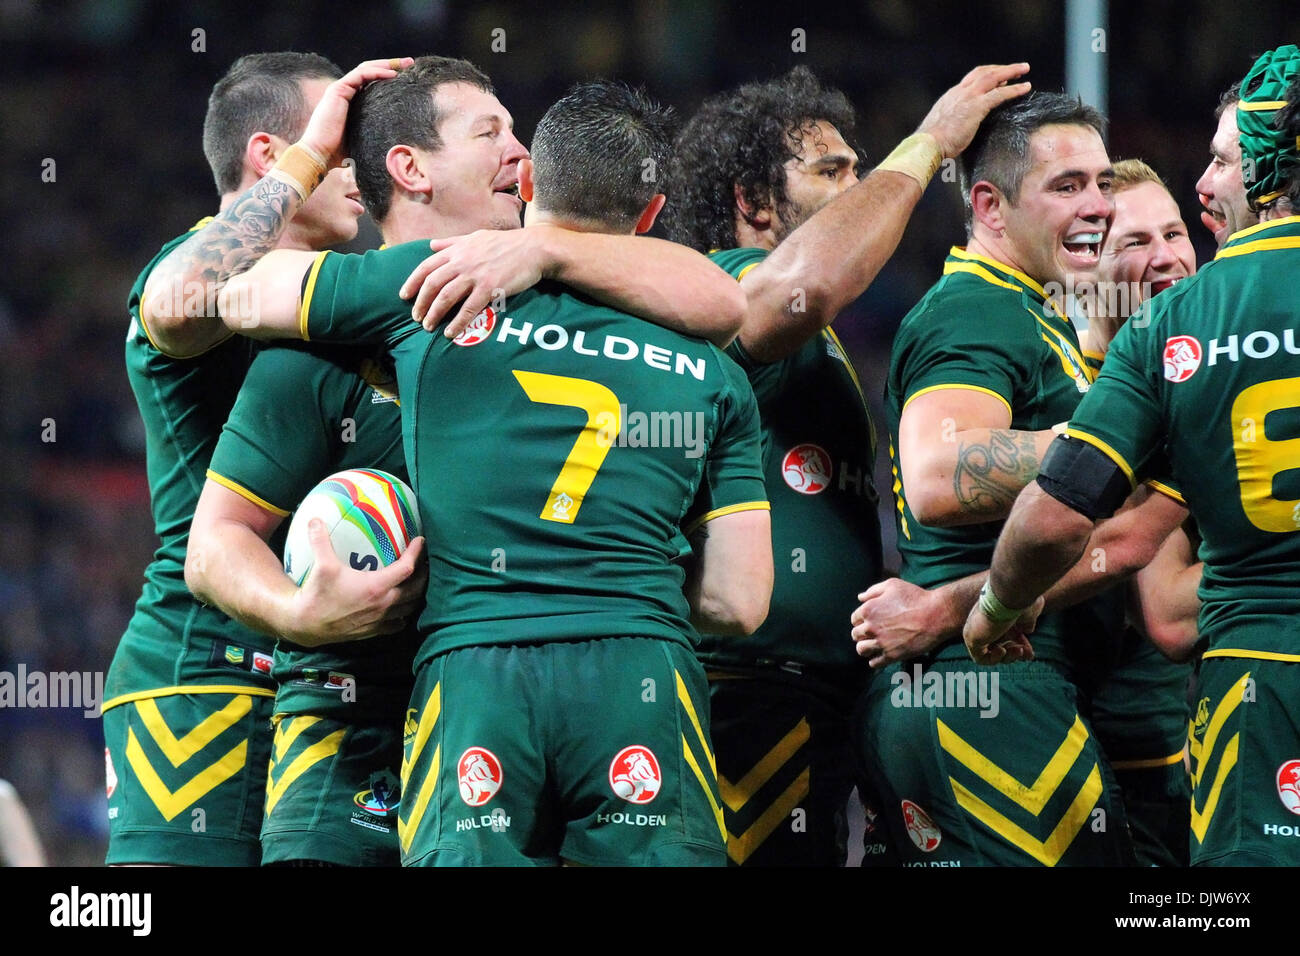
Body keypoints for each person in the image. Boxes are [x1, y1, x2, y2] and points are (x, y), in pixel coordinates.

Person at [180, 55, 751, 865]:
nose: (523, 154)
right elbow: (214, 543)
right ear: (410, 169)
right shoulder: (316, 353)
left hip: (493, 706)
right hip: (354, 722)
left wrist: (549, 253)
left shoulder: (599, 301)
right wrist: (295, 613)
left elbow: (726, 303)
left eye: (520, 133)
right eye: (493, 133)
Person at [661, 62, 1030, 866]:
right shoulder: (718, 288)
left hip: (810, 698)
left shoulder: (820, 344)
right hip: (742, 695)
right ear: (753, 203)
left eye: (860, 168)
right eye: (831, 172)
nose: (862, 187)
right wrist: (930, 143)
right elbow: (809, 280)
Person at [964, 45, 1300, 867]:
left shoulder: (1173, 331)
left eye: (1221, 160)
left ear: (1266, 169)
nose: (1205, 182)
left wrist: (990, 610)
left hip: (1261, 684)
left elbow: (1058, 517)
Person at [105, 53, 421, 867]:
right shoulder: (187, 271)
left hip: (329, 678)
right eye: (336, 150)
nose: (355, 171)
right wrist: (308, 161)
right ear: (269, 154)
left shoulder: (336, 293)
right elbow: (179, 308)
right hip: (203, 668)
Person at [860, 90, 1153, 867]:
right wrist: (1117, 445)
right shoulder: (976, 309)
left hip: (990, 684)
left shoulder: (1035, 313)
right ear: (988, 205)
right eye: (1067, 187)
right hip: (987, 686)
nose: (1098, 206)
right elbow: (937, 475)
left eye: (1101, 184)